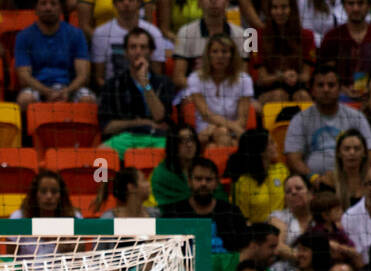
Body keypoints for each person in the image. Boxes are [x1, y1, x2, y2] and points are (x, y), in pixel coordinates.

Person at [283, 68, 371, 181]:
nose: (326, 89)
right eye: (320, 85)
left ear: (340, 89)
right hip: (313, 183)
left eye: (331, 85)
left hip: (350, 181)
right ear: (312, 90)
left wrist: (355, 179)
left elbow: (369, 154)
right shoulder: (299, 120)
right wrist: (314, 178)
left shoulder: (357, 117)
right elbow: (293, 159)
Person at [99, 26, 175, 156]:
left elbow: (159, 116)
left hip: (157, 138)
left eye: (143, 47)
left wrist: (144, 82)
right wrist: (141, 122)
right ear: (126, 52)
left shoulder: (164, 82)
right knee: (101, 153)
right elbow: (107, 127)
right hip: (126, 138)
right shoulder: (113, 84)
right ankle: (105, 178)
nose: (138, 52)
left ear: (151, 52)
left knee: (173, 152)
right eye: (133, 47)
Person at [161, 157, 252, 254]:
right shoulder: (174, 213)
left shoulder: (231, 212)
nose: (203, 183)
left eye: (208, 179)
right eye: (198, 179)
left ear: (217, 183)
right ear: (189, 182)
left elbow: (244, 249)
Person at [15, 0, 95, 108]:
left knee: (88, 99)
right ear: (36, 9)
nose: (48, 8)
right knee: (25, 100)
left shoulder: (76, 34)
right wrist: (46, 92)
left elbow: (84, 75)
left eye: (53, 4)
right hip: (38, 87)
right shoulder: (23, 36)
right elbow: (24, 77)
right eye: (43, 4)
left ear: (60, 9)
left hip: (70, 87)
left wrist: (67, 91)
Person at [318, 0, 371, 104]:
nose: (356, 8)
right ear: (344, 6)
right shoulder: (332, 37)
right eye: (351, 3)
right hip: (339, 98)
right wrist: (342, 89)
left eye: (360, 3)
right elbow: (323, 73)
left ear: (369, 6)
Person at [187, 33, 254, 148]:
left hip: (233, 132)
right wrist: (233, 128)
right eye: (215, 51)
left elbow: (242, 119)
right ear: (208, 55)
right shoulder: (195, 78)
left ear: (232, 56)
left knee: (217, 143)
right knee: (223, 137)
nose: (220, 56)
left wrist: (229, 129)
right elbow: (206, 115)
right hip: (206, 130)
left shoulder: (244, 80)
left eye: (224, 52)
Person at [253, 0, 317, 105]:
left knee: (302, 96)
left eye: (284, 7)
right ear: (269, 10)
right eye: (275, 7)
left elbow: (306, 76)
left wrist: (295, 76)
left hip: (298, 86)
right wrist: (281, 76)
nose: (279, 12)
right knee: (279, 95)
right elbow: (262, 79)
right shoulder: (256, 36)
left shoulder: (307, 36)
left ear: (292, 9)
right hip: (268, 90)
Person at [91, 0, 166, 88]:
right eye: (121, 0)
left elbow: (157, 75)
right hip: (113, 91)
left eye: (131, 0)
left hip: (146, 89)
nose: (126, 3)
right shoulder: (100, 33)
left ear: (139, 3)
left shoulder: (154, 33)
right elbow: (99, 78)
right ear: (115, 3)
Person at [171, 0, 242, 89]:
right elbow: (178, 78)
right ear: (199, 3)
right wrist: (205, 90)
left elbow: (242, 76)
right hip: (193, 92)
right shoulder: (185, 32)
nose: (213, 1)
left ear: (227, 2)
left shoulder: (240, 34)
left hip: (231, 90)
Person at [229, 128, 290, 224]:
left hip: (285, 225)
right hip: (259, 232)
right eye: (271, 143)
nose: (276, 146)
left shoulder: (281, 170)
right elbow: (243, 221)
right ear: (260, 149)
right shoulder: (242, 183)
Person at [150, 123, 205, 207]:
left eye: (192, 139)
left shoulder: (205, 168)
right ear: (173, 145)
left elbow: (219, 198)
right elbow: (160, 205)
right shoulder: (161, 173)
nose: (189, 145)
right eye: (182, 140)